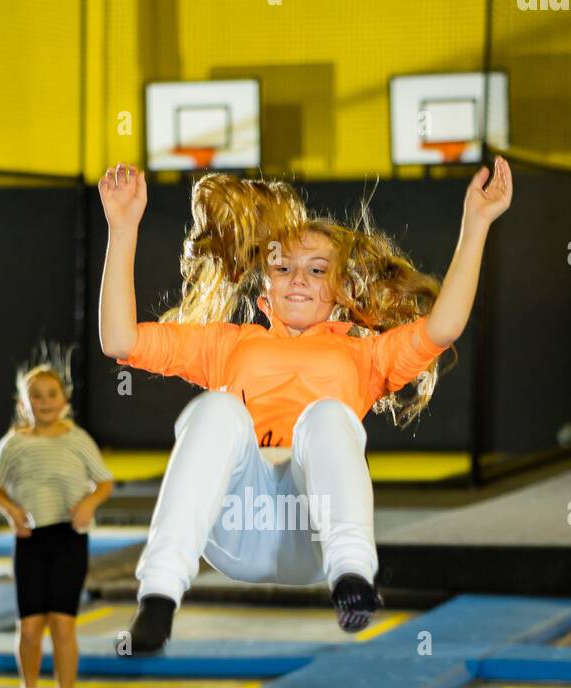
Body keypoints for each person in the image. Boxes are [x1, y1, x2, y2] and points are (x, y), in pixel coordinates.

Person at [98, 158, 513, 654]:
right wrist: (121, 228)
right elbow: (119, 340)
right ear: (265, 288)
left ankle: (354, 578)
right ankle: (158, 599)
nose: (298, 278)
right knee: (217, 410)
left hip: (314, 529)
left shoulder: (363, 353)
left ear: (338, 293)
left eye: (317, 271)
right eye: (284, 267)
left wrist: (477, 224)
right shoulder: (229, 344)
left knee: (328, 415)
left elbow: (442, 328)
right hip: (239, 520)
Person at [0, 356, 114, 688]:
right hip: (30, 539)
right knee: (29, 628)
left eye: (51, 394)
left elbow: (104, 482)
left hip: (69, 537)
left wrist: (89, 503)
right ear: (22, 404)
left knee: (62, 624)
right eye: (36, 396)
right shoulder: (13, 444)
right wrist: (12, 512)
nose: (44, 402)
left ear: (64, 400)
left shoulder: (78, 439)